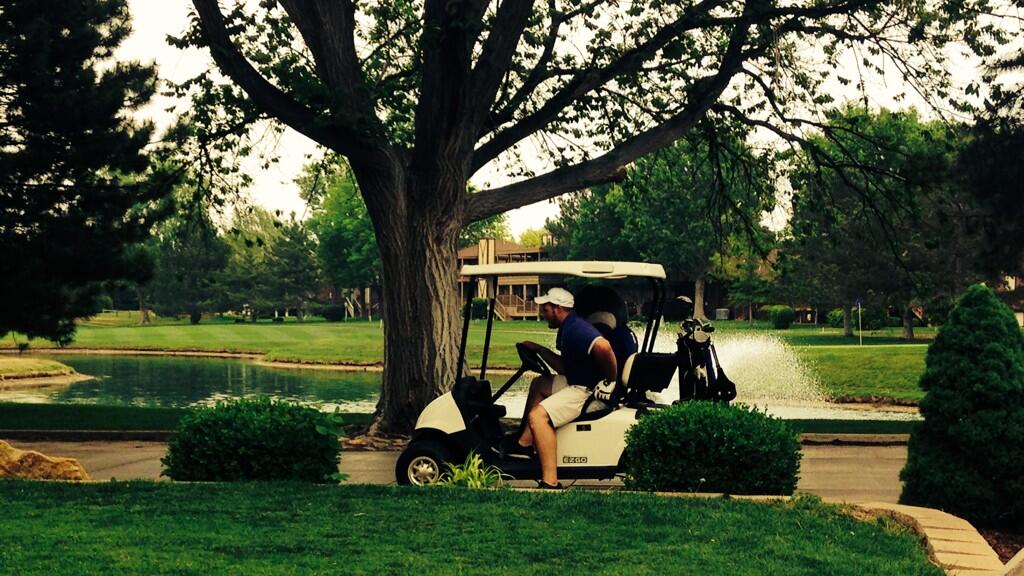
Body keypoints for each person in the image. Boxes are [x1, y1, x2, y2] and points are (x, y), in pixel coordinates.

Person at [502, 287, 617, 489]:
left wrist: (610, 380)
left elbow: (603, 347)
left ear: (557, 308)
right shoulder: (568, 326)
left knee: (537, 416)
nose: (542, 314)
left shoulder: (576, 328)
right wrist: (540, 350)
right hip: (577, 383)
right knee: (540, 383)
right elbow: (564, 368)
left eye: (545, 309)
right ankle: (524, 444)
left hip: (587, 391)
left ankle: (550, 482)